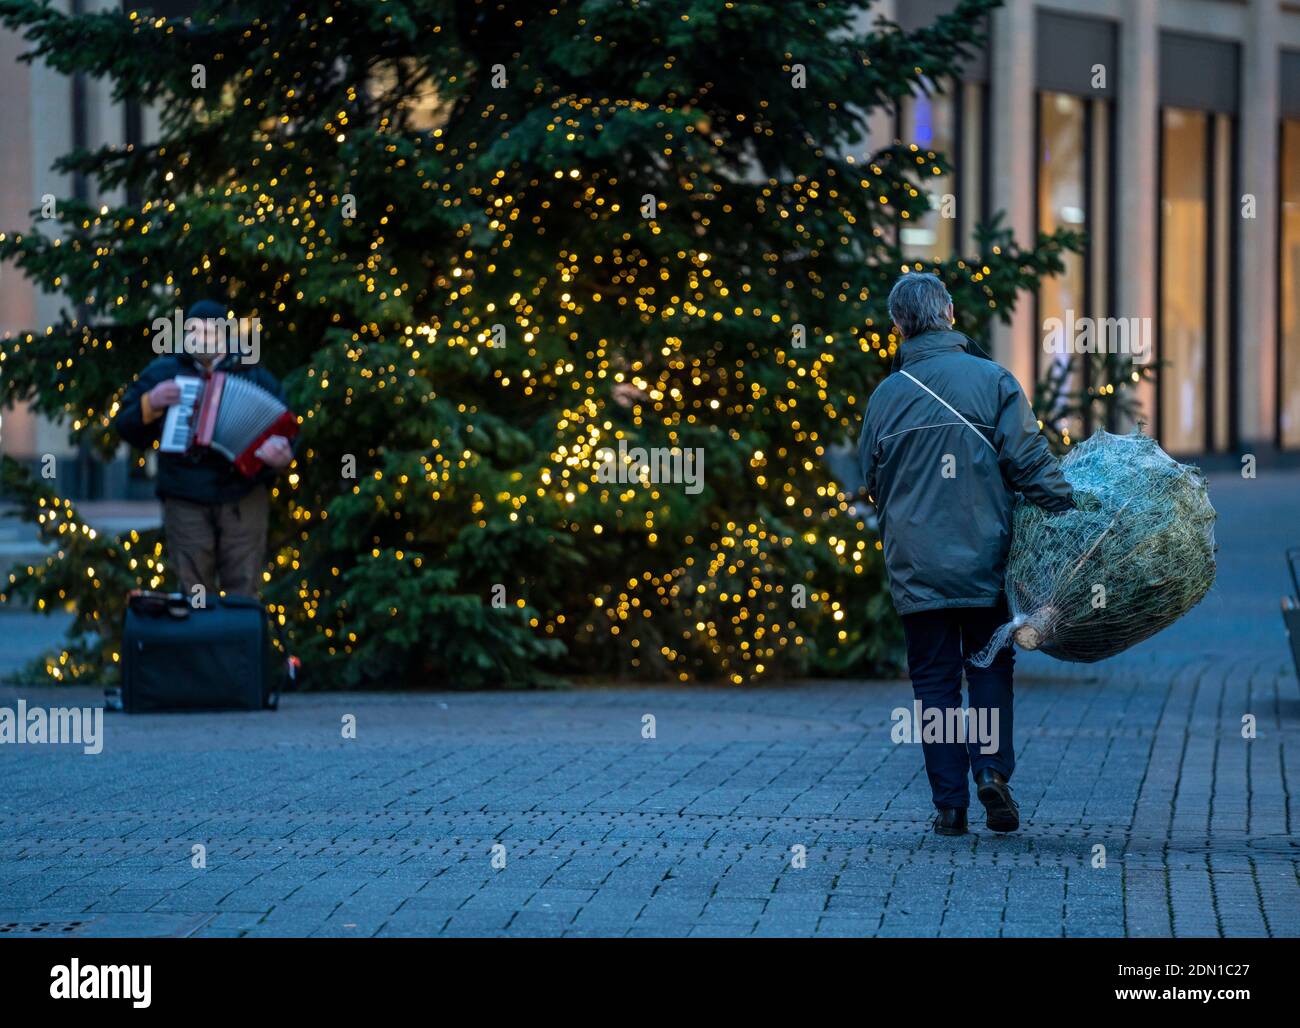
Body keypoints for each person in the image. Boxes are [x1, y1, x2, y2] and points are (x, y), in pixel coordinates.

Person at [857, 273, 1073, 836]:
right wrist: (1072, 507)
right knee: (989, 666)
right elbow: (1029, 463)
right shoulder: (994, 381)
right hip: (985, 560)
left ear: (897, 326)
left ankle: (949, 807)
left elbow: (870, 481)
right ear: (950, 313)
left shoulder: (885, 397)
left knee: (932, 683)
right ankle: (991, 773)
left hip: (917, 567)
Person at [114, 299, 293, 599]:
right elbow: (126, 426)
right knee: (195, 592)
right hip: (186, 497)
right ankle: (200, 645)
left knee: (243, 589)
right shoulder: (164, 371)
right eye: (195, 332)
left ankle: (237, 645)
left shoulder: (253, 374)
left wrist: (283, 453)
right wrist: (151, 402)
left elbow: (285, 426)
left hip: (242, 497)